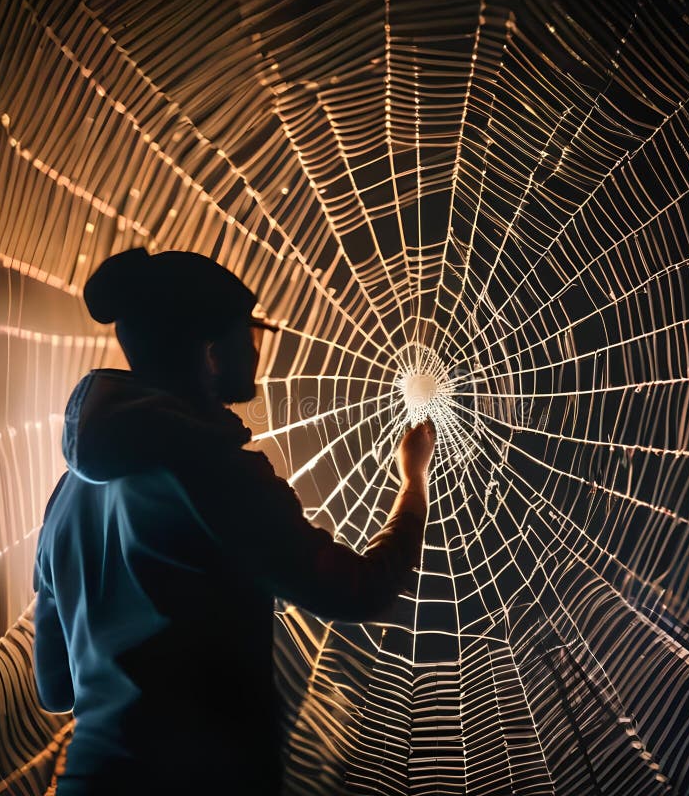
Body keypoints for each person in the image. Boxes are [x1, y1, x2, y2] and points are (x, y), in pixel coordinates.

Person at [32, 247, 436, 796]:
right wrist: (413, 480)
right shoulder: (216, 474)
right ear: (211, 351)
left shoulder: (65, 496)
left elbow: (56, 688)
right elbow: (363, 591)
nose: (255, 347)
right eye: (248, 332)